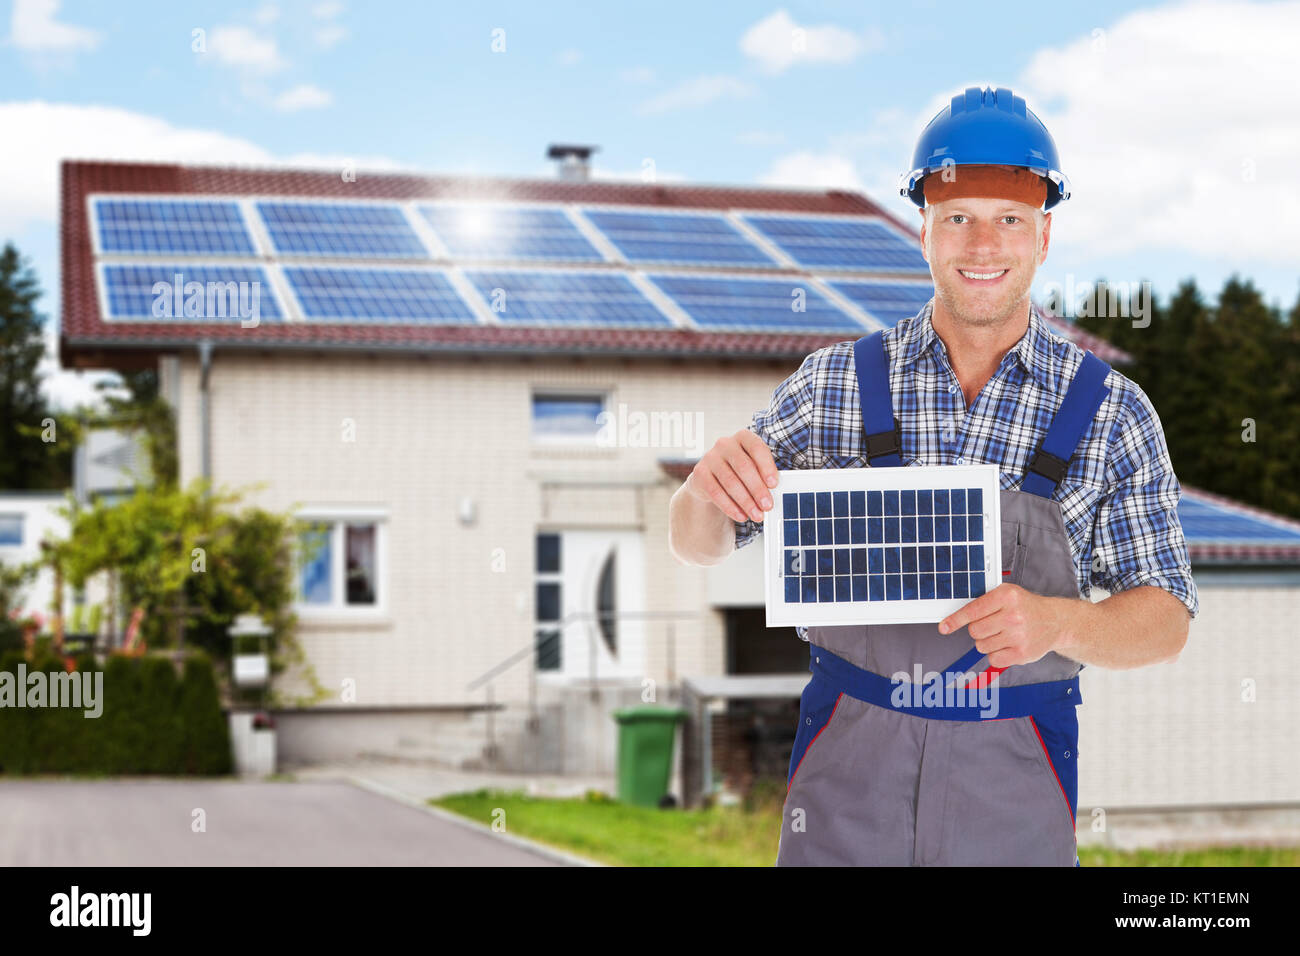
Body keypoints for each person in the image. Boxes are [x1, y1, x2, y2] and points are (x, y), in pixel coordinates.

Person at [668, 86, 1198, 866]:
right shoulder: (832, 388)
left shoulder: (1113, 413)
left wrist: (1059, 624)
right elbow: (698, 542)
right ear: (924, 230)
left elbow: (1167, 619)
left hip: (1012, 799)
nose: (983, 244)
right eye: (958, 218)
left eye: (1009, 219)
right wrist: (705, 489)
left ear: (1044, 236)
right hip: (846, 791)